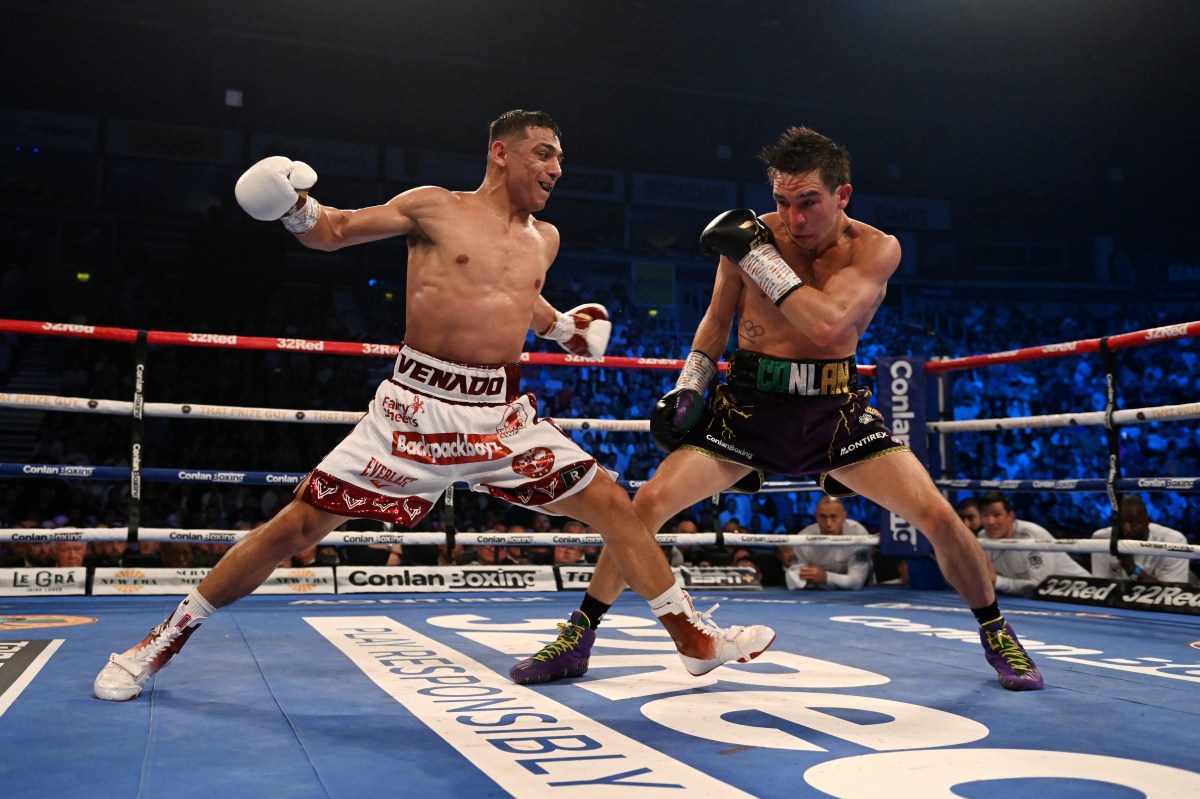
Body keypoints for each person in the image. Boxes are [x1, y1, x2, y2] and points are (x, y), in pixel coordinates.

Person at [93, 109, 774, 702]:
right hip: (414, 409)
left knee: (614, 505)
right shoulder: (435, 207)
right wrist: (294, 206)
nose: (557, 168)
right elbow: (335, 229)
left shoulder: (545, 238)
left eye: (561, 158)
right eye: (544, 153)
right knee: (295, 528)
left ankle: (690, 639)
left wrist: (563, 327)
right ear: (500, 152)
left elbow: (515, 296)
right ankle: (159, 641)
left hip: (500, 415)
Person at [518, 125, 1044, 691]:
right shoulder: (755, 234)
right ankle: (578, 636)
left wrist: (759, 257)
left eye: (808, 202)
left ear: (842, 195)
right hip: (749, 407)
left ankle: (998, 634)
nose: (793, 218)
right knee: (643, 504)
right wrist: (691, 386)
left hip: (835, 412)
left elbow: (826, 326)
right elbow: (717, 321)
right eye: (782, 202)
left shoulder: (874, 248)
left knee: (939, 517)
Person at [977, 491, 1090, 596]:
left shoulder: (1032, 536)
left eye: (997, 515)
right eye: (985, 515)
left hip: (1083, 593)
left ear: (1010, 516)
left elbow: (1039, 585)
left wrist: (998, 581)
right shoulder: (982, 538)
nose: (990, 522)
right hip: (1030, 600)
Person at [1090, 494, 1191, 583]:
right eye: (1120, 522)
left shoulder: (1173, 541)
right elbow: (1100, 585)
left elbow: (1172, 592)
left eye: (1133, 523)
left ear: (1148, 521)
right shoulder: (1101, 538)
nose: (1126, 529)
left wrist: (1133, 569)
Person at [784, 495, 872, 590]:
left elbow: (856, 582)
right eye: (823, 517)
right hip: (815, 594)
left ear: (844, 517)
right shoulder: (804, 538)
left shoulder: (857, 534)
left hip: (860, 594)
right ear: (816, 516)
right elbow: (797, 579)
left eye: (834, 517)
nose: (828, 524)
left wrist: (825, 577)